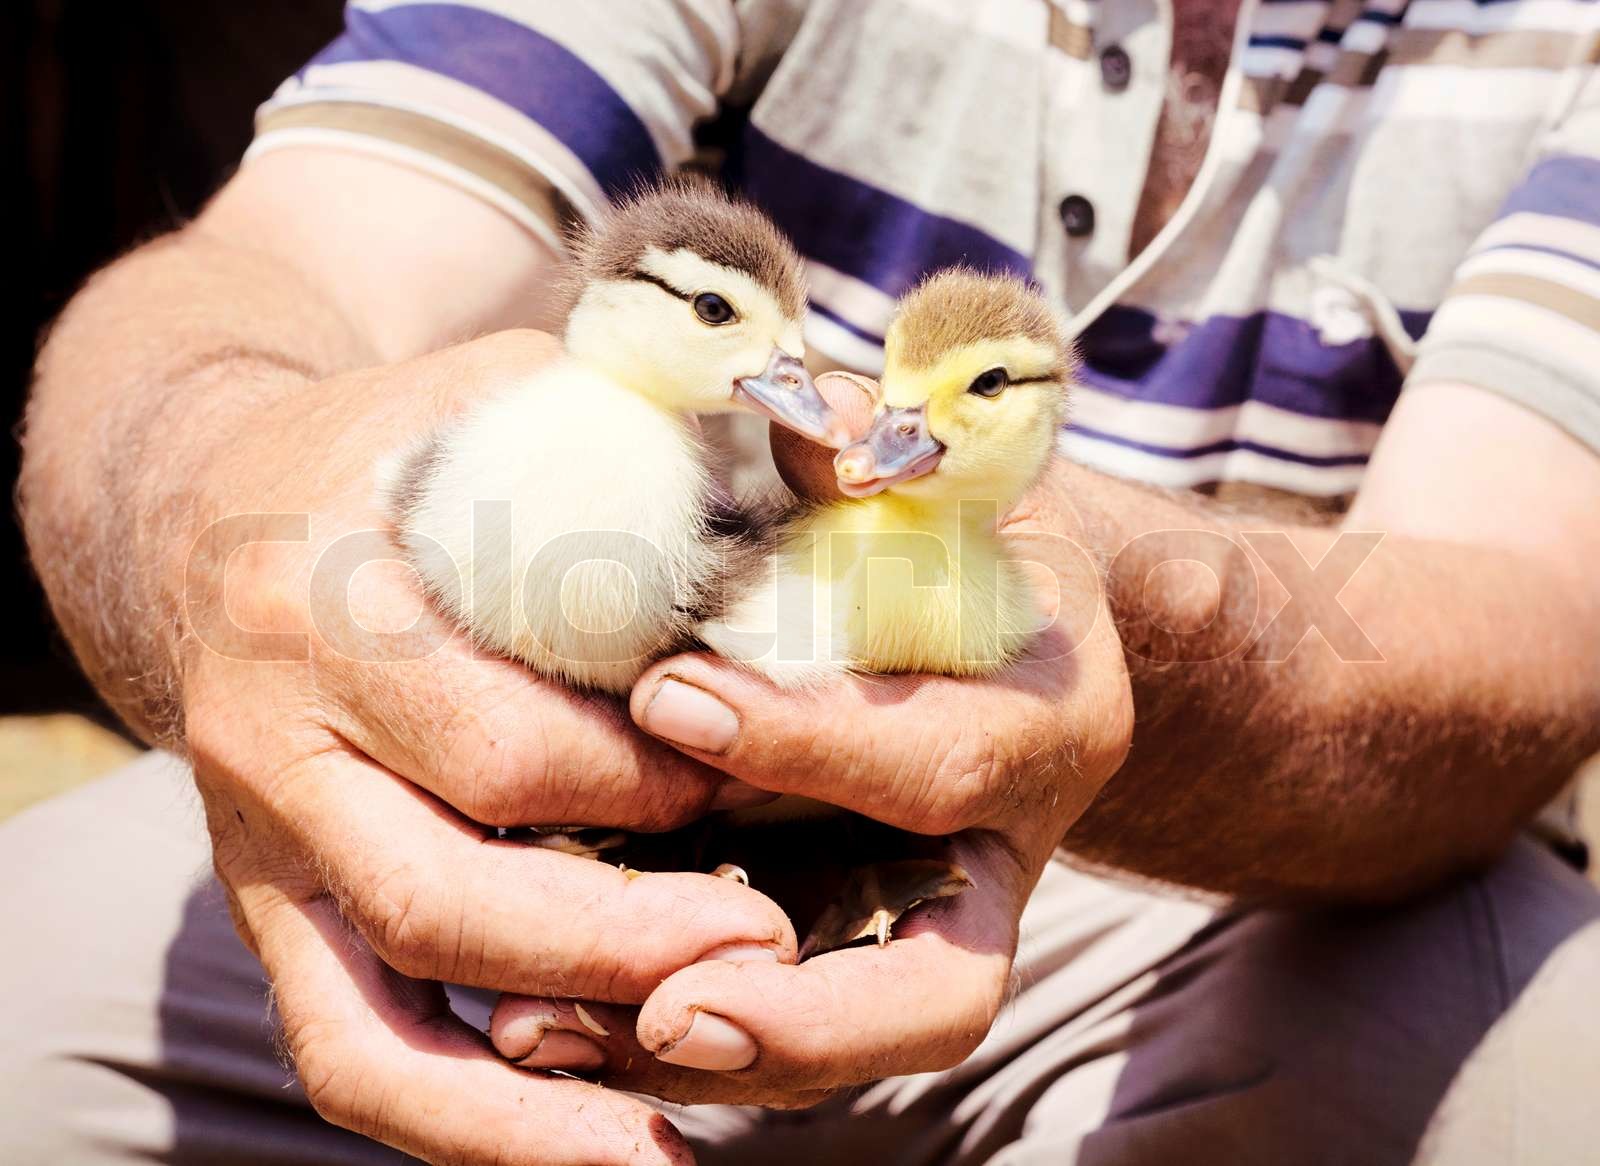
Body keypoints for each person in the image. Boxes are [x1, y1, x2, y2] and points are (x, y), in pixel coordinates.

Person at [10, 1, 1600, 1162]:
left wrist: (1111, 617)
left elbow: (1529, 608)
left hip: (1214, 886)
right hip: (510, 756)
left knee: (1557, 1087)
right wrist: (229, 492)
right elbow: (270, 275)